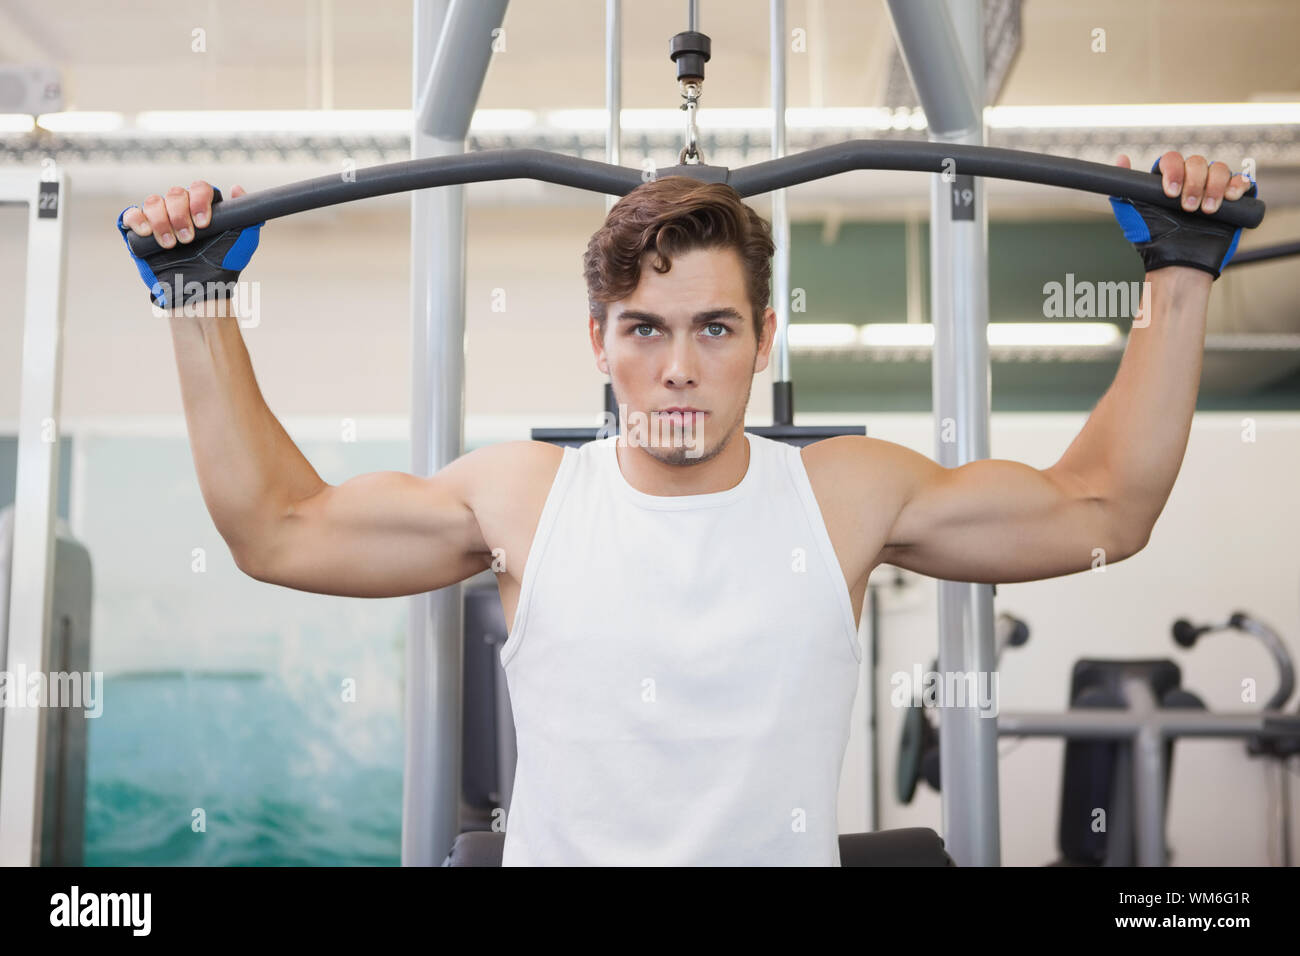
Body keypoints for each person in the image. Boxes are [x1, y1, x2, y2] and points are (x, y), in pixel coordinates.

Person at [116, 152, 1255, 865]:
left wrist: (1181, 272)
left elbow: (1104, 508)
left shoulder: (840, 489)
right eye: (645, 329)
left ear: (763, 339)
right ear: (600, 341)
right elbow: (278, 530)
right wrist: (199, 298)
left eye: (713, 328)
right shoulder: (528, 492)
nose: (677, 368)